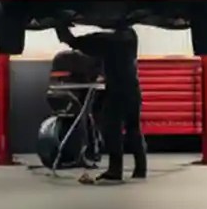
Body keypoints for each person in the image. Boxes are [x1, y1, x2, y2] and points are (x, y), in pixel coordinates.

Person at [54, 21, 146, 183]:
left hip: (117, 90)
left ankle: (115, 170)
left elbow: (78, 42)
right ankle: (140, 169)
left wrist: (60, 26)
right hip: (133, 89)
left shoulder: (108, 40)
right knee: (133, 128)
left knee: (112, 129)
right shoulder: (130, 36)